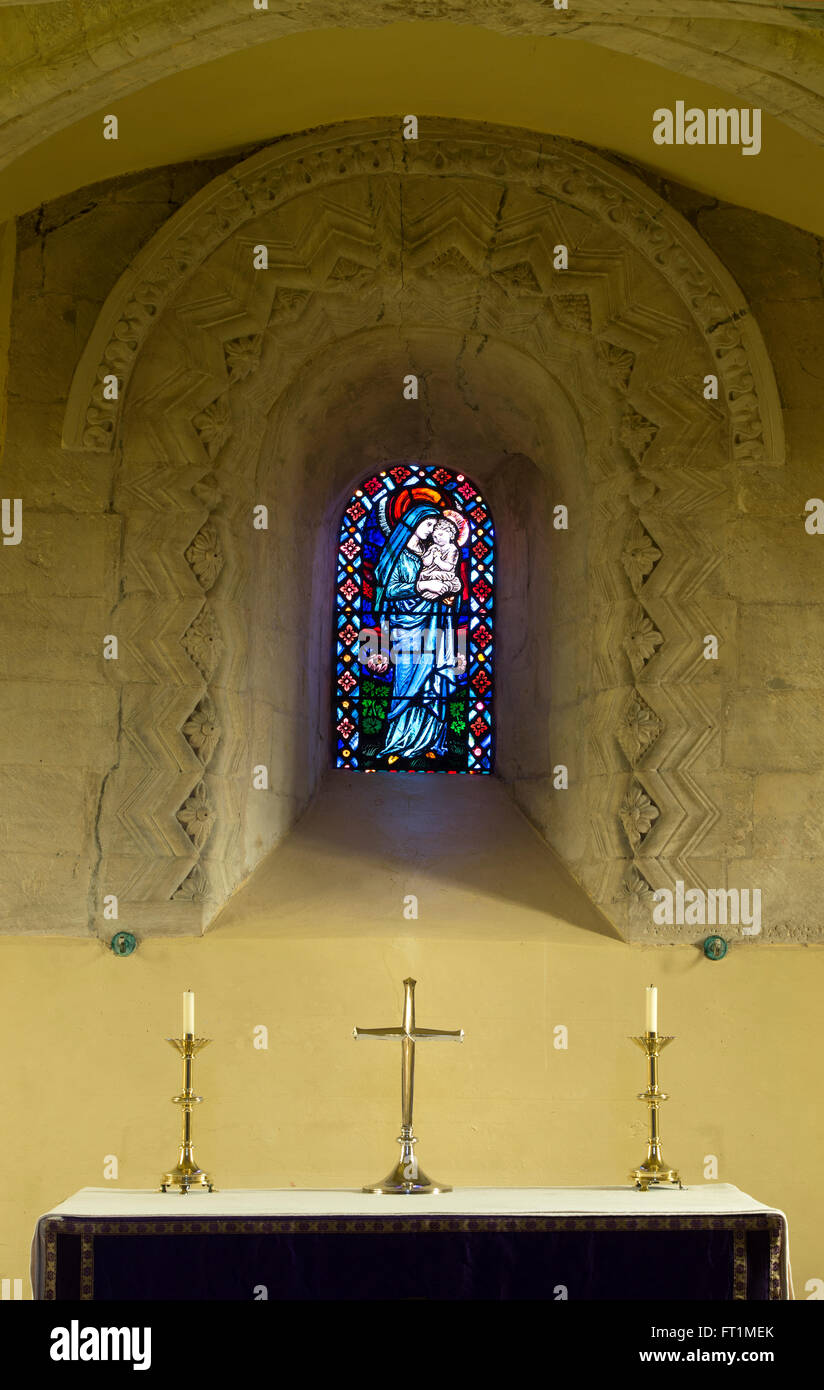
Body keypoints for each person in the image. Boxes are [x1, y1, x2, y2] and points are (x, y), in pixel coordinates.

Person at [371, 502, 466, 763]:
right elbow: (389, 590)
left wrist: (447, 592)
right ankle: (398, 740)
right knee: (405, 682)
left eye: (436, 526)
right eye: (428, 524)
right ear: (413, 524)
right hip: (406, 626)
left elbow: (450, 585)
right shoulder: (398, 556)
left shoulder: (434, 552)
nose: (433, 529)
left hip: (434, 625)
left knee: (431, 684)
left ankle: (430, 740)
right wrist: (420, 585)